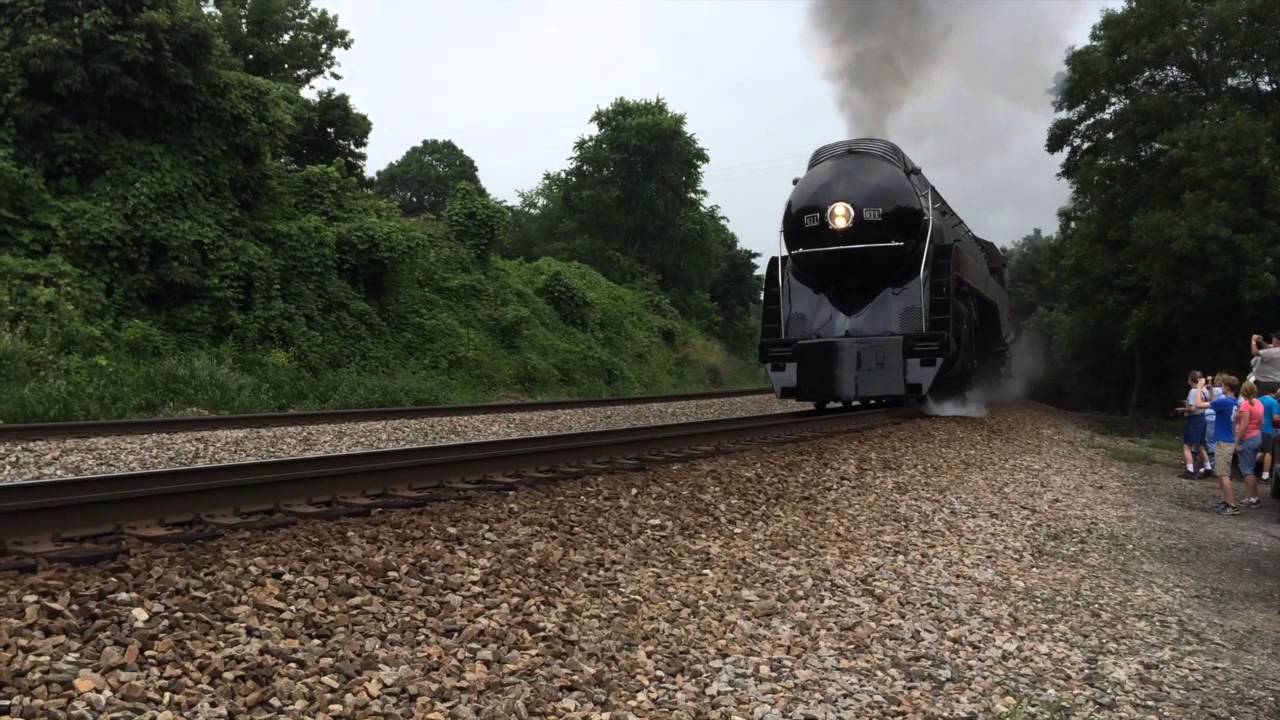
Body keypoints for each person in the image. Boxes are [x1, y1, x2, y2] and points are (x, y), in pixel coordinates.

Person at [1210, 376, 1242, 515]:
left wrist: (1199, 388)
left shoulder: (1225, 401)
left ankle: (1232, 505)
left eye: (1223, 385)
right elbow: (1214, 403)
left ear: (1227, 387)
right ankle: (1226, 501)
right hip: (1227, 440)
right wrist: (1211, 391)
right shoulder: (1233, 402)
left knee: (1223, 474)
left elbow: (1200, 404)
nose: (1221, 387)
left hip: (1224, 441)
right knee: (1220, 472)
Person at [1235, 380, 1265, 507]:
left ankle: (1253, 498)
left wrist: (1237, 441)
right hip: (1257, 436)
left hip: (1247, 439)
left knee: (1247, 470)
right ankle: (1252, 496)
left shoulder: (1245, 405)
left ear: (1243, 391)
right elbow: (1261, 422)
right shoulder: (1259, 403)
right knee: (1250, 469)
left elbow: (1244, 425)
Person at [1178, 371, 1211, 478]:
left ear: (1191, 380)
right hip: (1202, 418)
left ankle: (1190, 469)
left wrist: (1183, 409)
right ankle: (1208, 468)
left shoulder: (1193, 391)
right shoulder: (1204, 390)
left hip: (1194, 419)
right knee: (1199, 445)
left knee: (1187, 445)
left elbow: (1192, 408)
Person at [1260, 387, 1280, 483]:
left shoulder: (1260, 399)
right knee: (1268, 452)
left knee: (1259, 451)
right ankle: (1265, 474)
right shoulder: (1274, 403)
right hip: (1269, 430)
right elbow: (1275, 418)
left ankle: (1248, 468)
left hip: (1257, 429)